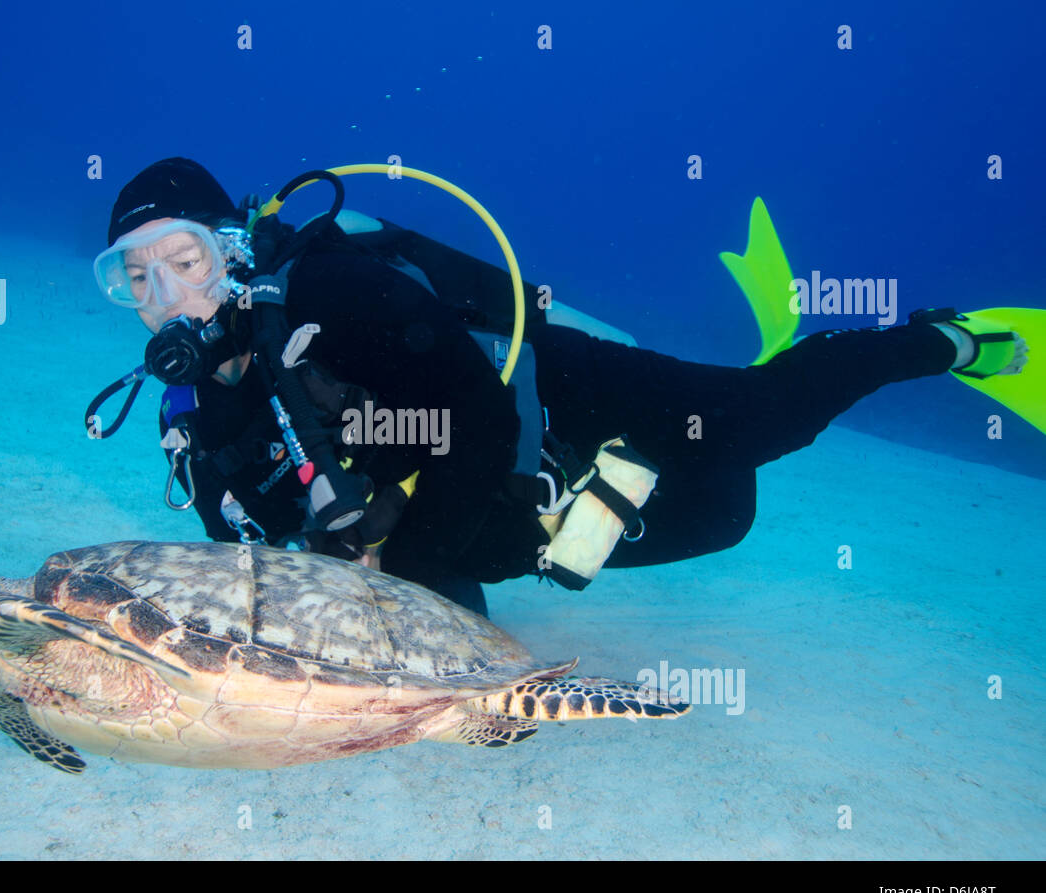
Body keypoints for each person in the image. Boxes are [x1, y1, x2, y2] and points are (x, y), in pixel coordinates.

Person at [88, 157, 1039, 617]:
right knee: (723, 519)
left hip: (568, 398)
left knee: (759, 423)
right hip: (522, 507)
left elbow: (471, 415)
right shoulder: (190, 403)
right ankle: (778, 355)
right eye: (136, 276)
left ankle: (942, 341)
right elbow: (249, 537)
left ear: (236, 246)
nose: (170, 295)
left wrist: (405, 561)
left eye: (186, 257)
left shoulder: (331, 291)